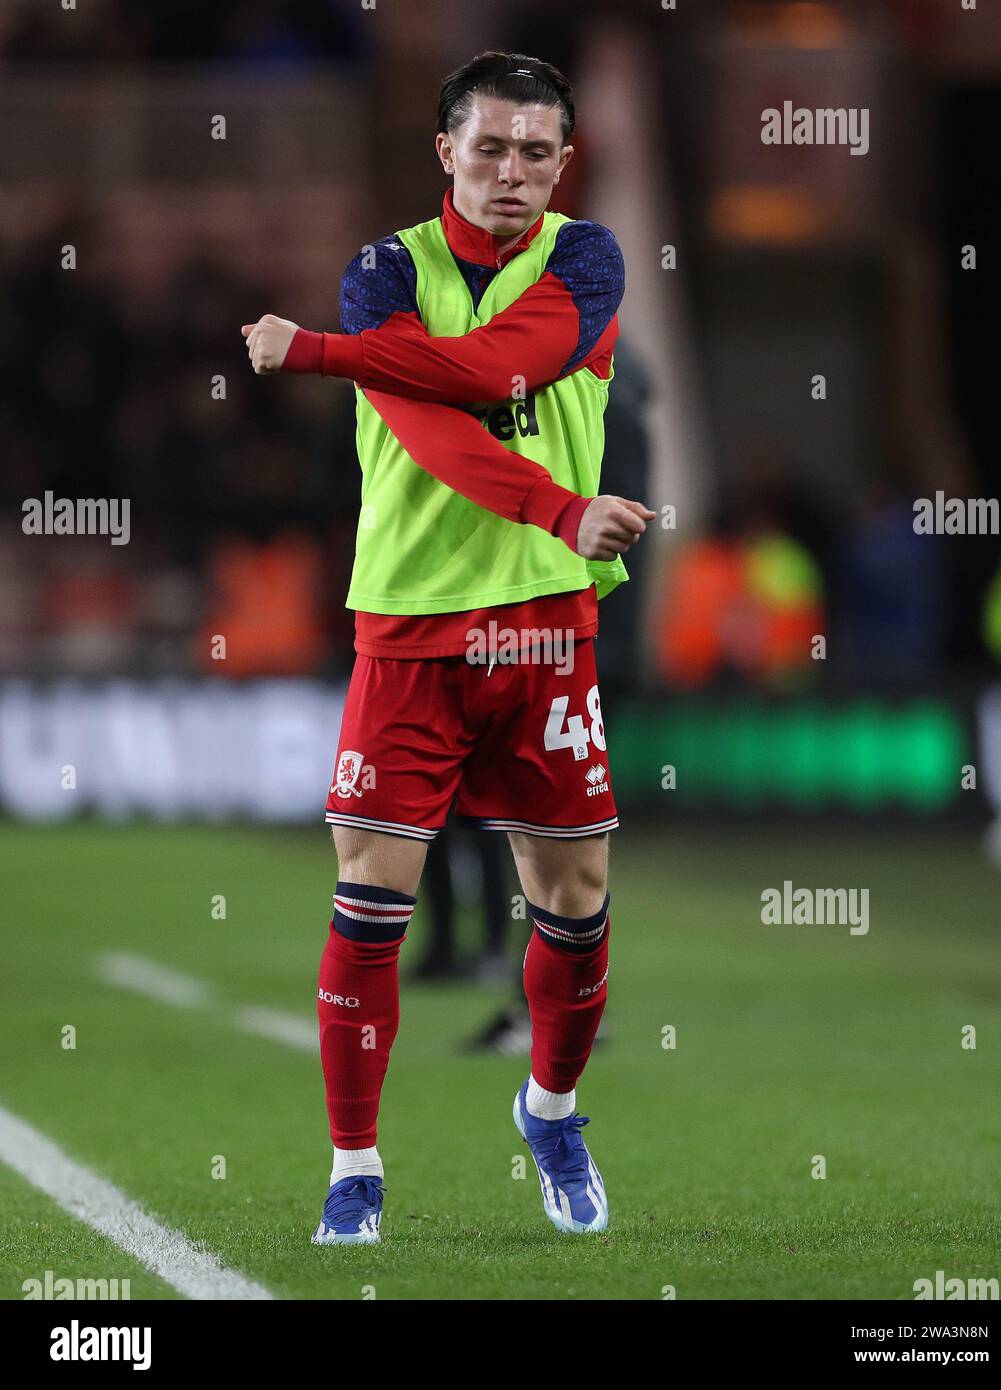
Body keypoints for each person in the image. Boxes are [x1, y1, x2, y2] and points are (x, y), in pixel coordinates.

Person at [241, 50, 654, 1244]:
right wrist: (565, 504)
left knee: (573, 905)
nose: (513, 172)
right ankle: (355, 1167)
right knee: (372, 900)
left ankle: (551, 1108)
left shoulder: (588, 258)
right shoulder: (383, 270)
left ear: (563, 161)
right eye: (489, 148)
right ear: (444, 153)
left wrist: (315, 351)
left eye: (536, 151)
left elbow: (491, 372)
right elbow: (432, 431)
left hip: (542, 622)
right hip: (410, 626)